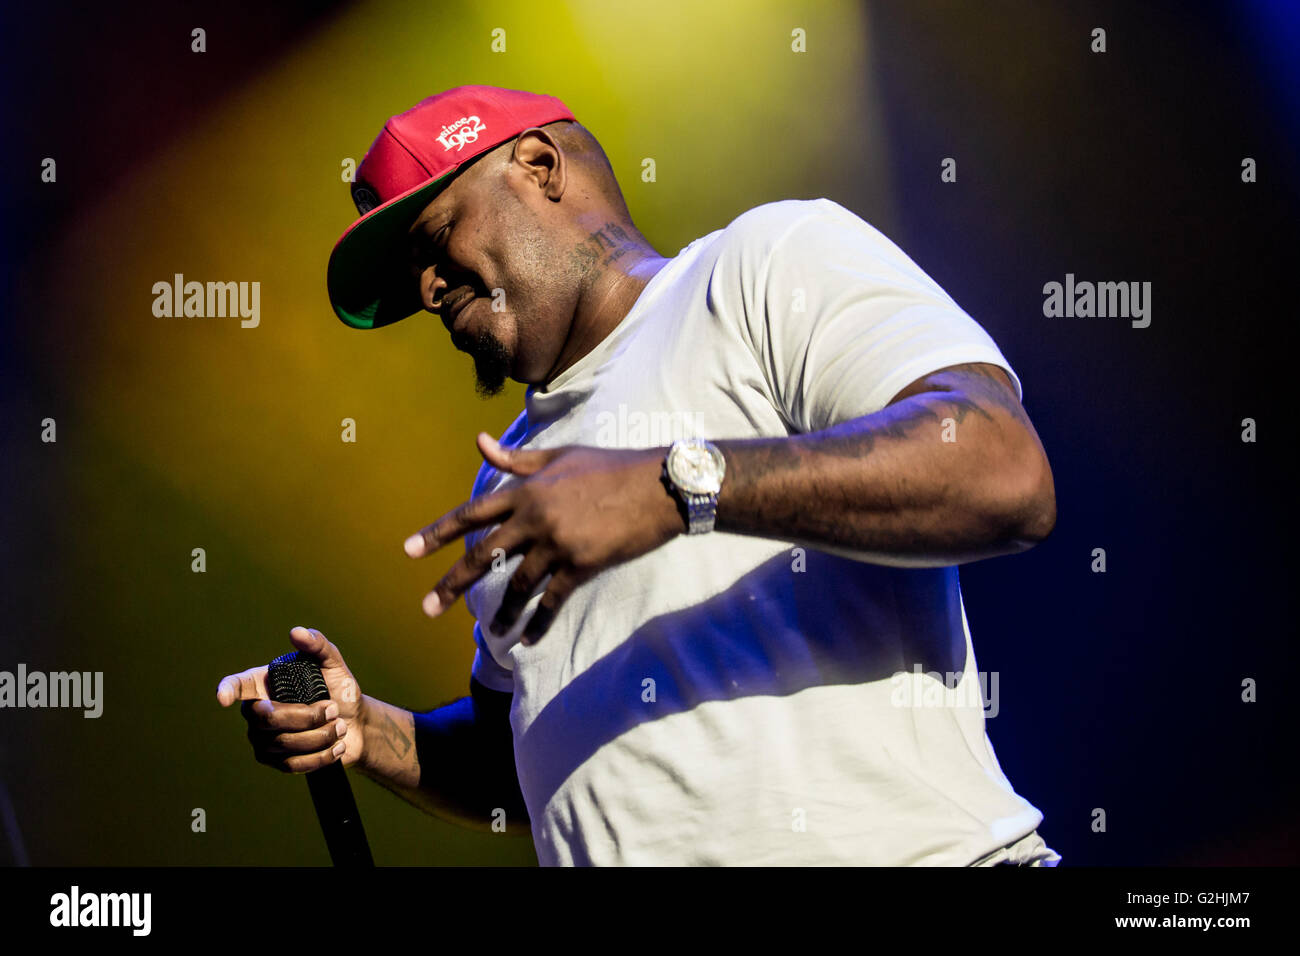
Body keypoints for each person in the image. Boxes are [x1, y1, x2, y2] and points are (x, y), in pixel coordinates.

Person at [217, 85, 1061, 866]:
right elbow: (520, 757)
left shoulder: (757, 269)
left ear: (539, 166)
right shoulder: (509, 484)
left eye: (434, 243)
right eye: (413, 281)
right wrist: (368, 730)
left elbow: (999, 469)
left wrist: (675, 487)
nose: (431, 290)